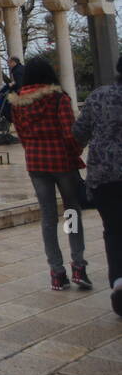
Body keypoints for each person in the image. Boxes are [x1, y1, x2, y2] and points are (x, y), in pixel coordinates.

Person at [8, 57, 89, 291]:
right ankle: (78, 265)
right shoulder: (58, 98)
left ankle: (56, 271)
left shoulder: (18, 102)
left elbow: (21, 134)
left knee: (48, 217)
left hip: (36, 162)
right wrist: (75, 153)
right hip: (62, 161)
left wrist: (33, 149)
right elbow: (69, 133)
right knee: (72, 212)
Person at [72, 54, 122, 316]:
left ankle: (119, 282)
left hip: (104, 176)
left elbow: (79, 132)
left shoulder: (98, 96)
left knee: (114, 231)